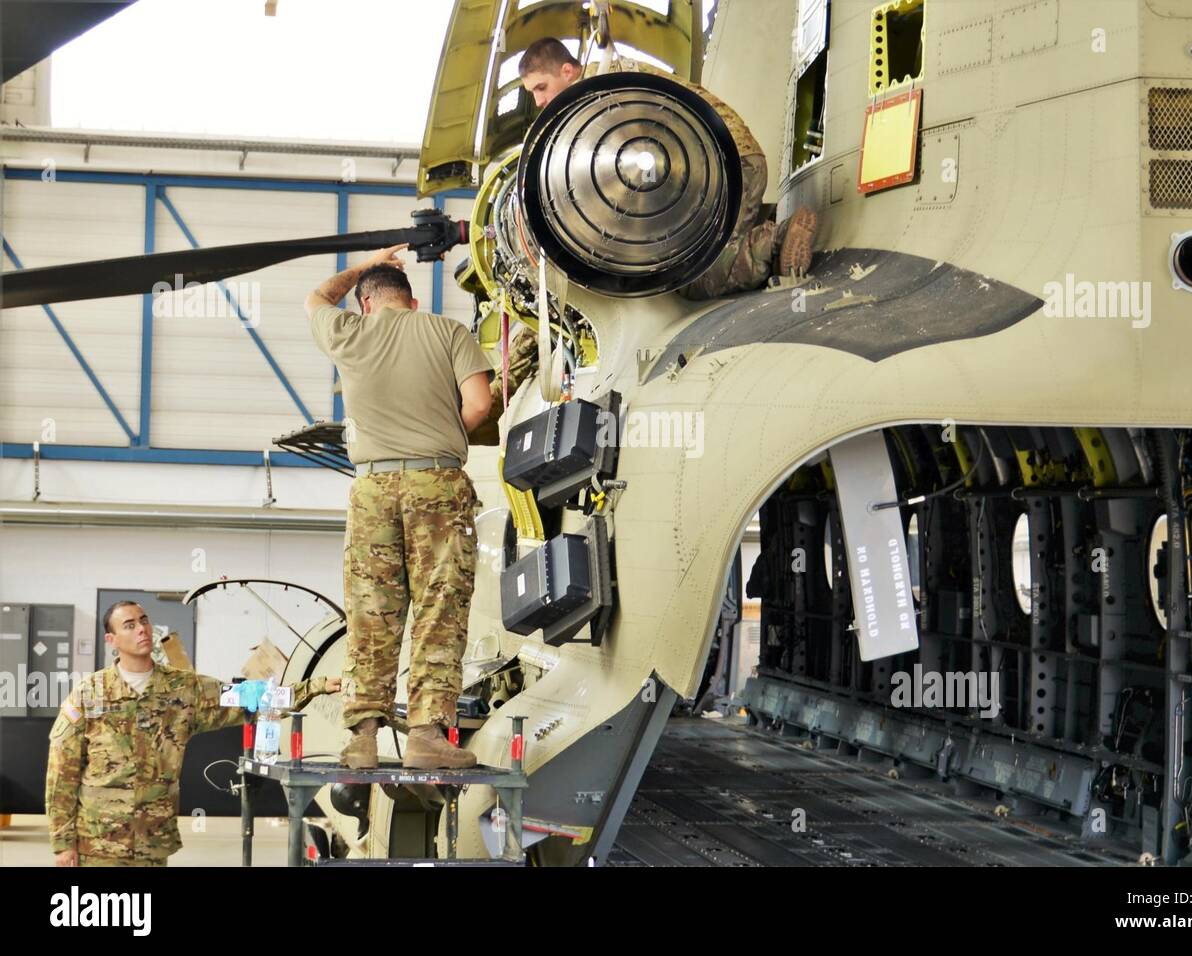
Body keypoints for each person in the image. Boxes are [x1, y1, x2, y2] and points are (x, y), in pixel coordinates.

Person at [305, 244, 493, 771]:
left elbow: (317, 296)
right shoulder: (448, 332)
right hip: (437, 483)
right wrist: (440, 434)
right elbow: (479, 404)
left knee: (372, 612)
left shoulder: (348, 333)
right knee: (439, 608)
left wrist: (367, 264)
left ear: (366, 304)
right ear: (411, 303)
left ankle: (362, 738)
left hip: (371, 488)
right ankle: (426, 736)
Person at [518, 36, 818, 299]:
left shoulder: (598, 96)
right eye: (532, 92)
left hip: (727, 167)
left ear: (567, 71)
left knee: (694, 276)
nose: (540, 100)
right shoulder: (609, 79)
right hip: (725, 164)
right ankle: (760, 231)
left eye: (541, 87)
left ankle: (774, 241)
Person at [45, 600, 339, 867]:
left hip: (153, 841)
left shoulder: (184, 689)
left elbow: (249, 696)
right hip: (97, 842)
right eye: (129, 625)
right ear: (112, 640)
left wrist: (316, 686)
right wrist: (62, 843)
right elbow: (62, 773)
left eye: (144, 620)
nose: (142, 629)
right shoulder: (89, 694)